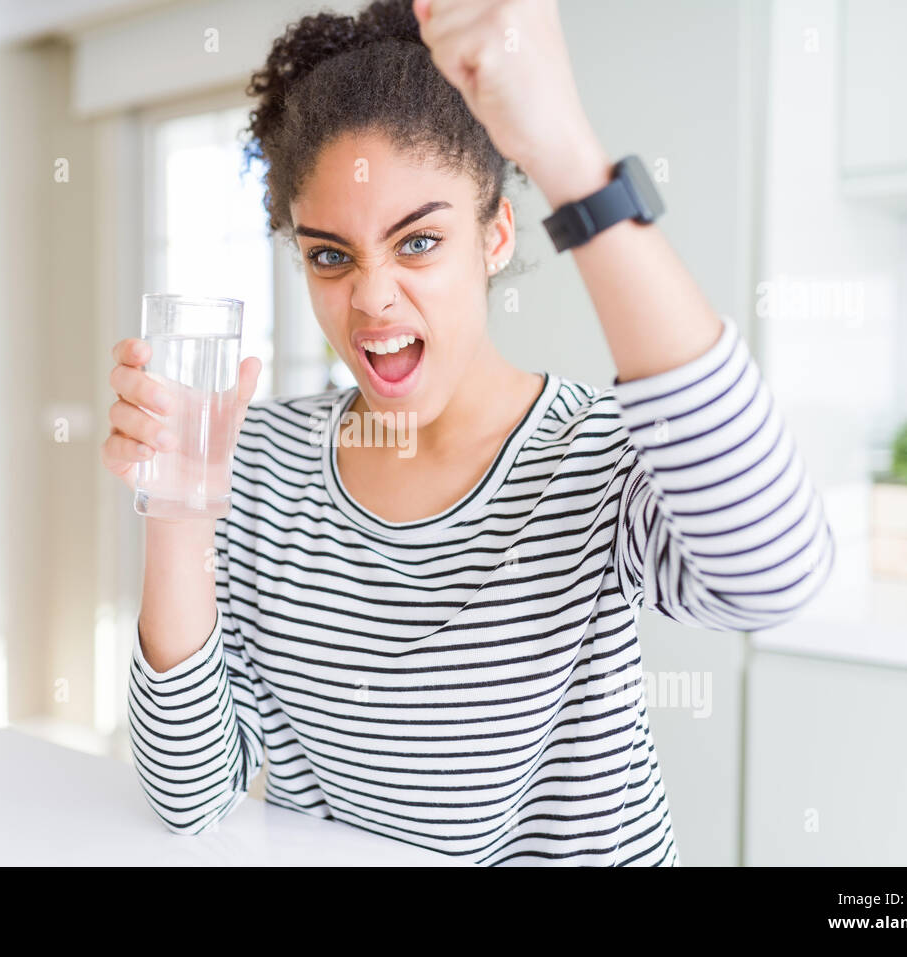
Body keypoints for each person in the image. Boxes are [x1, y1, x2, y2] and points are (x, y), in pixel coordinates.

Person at [102, 0, 836, 866]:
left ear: (495, 236)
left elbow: (776, 577)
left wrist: (565, 152)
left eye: (418, 242)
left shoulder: (595, 455)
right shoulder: (258, 463)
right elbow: (190, 795)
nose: (371, 298)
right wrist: (179, 514)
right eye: (330, 255)